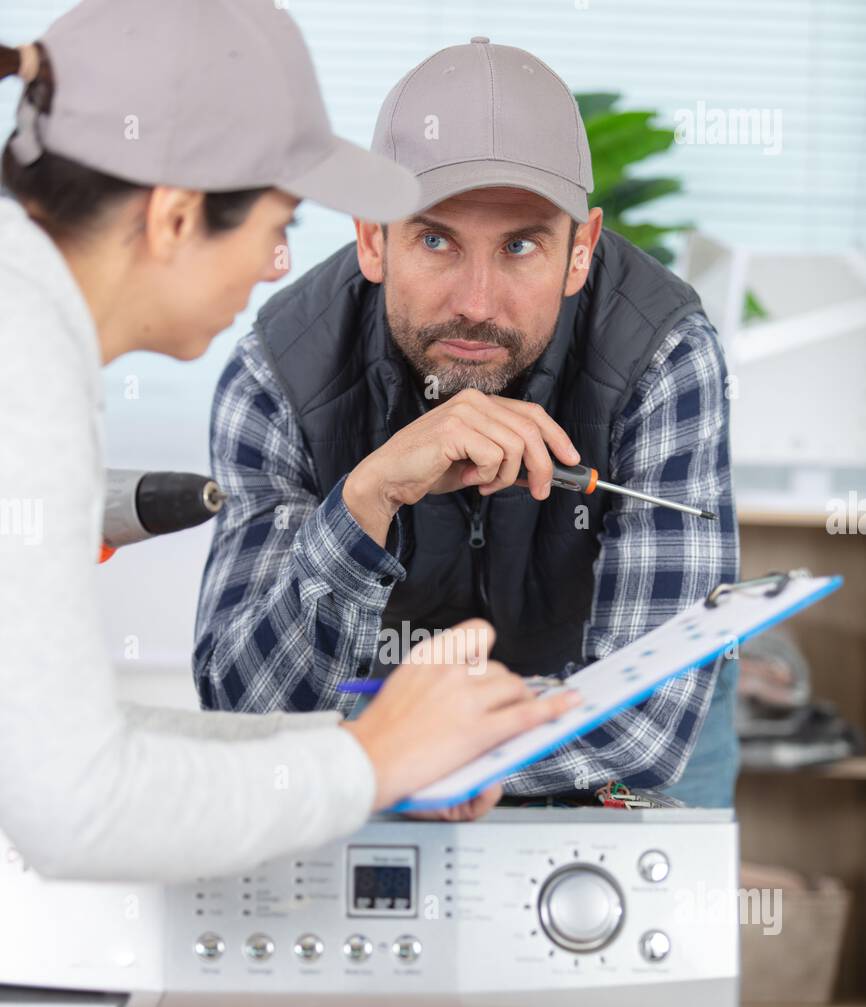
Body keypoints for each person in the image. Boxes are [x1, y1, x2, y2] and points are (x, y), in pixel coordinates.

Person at [0, 3, 582, 884]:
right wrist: (372, 762)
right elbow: (77, 807)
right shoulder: (23, 365)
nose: (280, 267)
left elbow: (60, 748)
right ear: (174, 217)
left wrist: (394, 745)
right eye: (277, 226)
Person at [194, 37, 741, 809]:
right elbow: (243, 718)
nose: (477, 304)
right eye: (436, 239)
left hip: (597, 738)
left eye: (521, 246)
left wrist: (422, 759)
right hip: (392, 723)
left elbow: (644, 730)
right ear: (371, 238)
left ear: (581, 250)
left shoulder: (664, 356)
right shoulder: (278, 374)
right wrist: (363, 502)